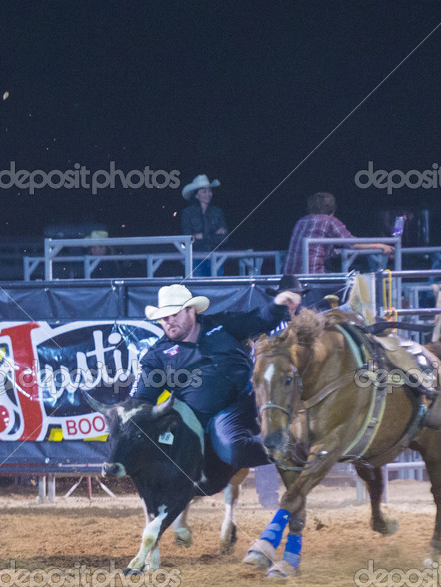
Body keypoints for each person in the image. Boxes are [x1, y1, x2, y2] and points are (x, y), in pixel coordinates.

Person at [129, 277, 302, 471]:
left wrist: (277, 304)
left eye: (174, 315)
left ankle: (310, 435)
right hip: (217, 415)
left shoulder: (220, 323)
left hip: (254, 396)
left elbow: (258, 319)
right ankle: (295, 448)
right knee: (231, 448)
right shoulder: (156, 356)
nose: (169, 322)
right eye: (164, 318)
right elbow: (142, 397)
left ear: (191, 311)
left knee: (284, 383)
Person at [284, 192, 390, 275]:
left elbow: (315, 248)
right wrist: (379, 245)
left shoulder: (302, 221)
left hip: (289, 274)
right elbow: (353, 244)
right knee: (351, 284)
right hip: (312, 274)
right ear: (333, 207)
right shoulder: (329, 220)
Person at [180, 174, 228, 276]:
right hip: (196, 258)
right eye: (204, 192)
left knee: (217, 287)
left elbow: (224, 238)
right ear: (197, 195)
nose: (209, 194)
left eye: (210, 191)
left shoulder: (217, 212)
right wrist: (214, 234)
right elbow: (188, 240)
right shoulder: (187, 213)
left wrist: (201, 236)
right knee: (198, 287)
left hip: (215, 256)